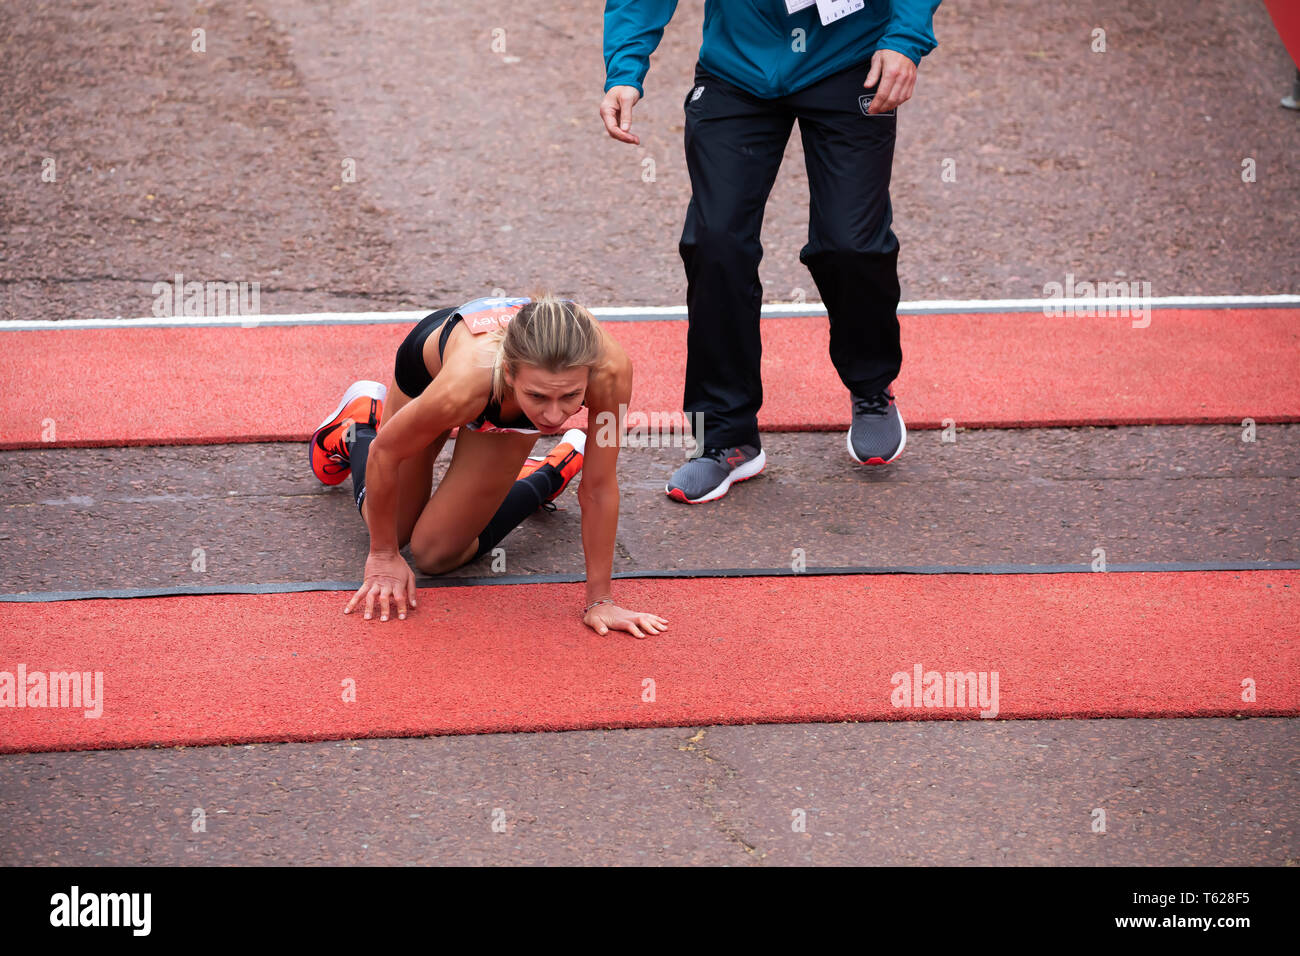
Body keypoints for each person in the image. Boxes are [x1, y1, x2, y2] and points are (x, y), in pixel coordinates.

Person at [600, 0, 941, 503]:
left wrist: (905, 39)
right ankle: (726, 437)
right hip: (738, 66)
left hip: (851, 60)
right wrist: (625, 68)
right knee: (715, 244)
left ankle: (871, 384)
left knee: (849, 245)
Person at [309, 293, 668, 639]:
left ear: (589, 377)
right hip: (434, 372)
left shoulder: (611, 374)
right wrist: (383, 555)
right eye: (539, 396)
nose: (555, 416)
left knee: (435, 555)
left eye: (571, 397)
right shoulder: (463, 387)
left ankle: (551, 468)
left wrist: (600, 601)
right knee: (389, 525)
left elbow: (600, 486)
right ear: (511, 374)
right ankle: (358, 427)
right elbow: (385, 455)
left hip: (508, 400)